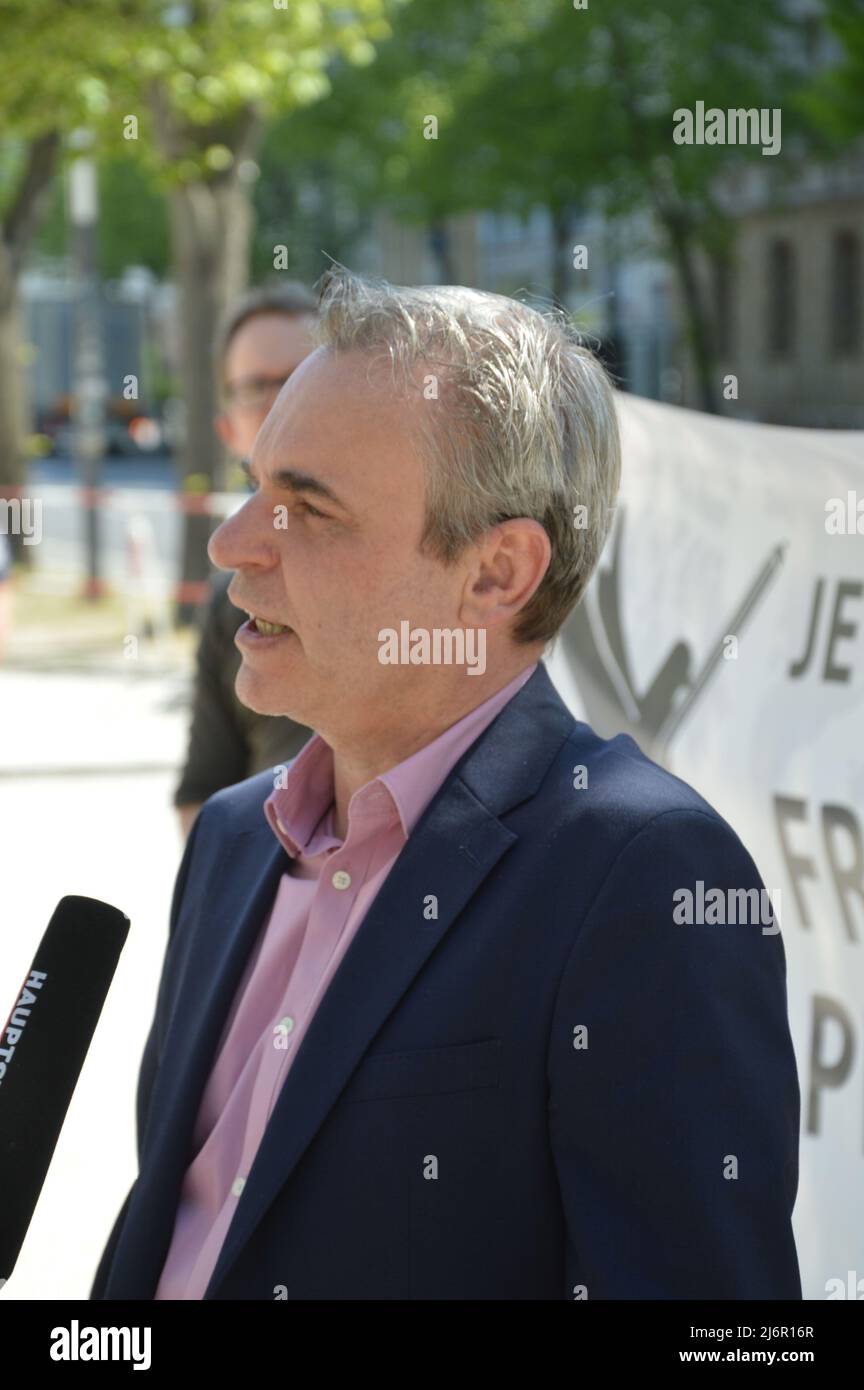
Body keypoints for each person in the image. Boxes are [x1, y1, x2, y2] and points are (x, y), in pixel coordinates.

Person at [91, 267, 801, 1301]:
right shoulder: (237, 836)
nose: (235, 541)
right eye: (255, 486)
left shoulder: (639, 875)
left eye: (308, 508)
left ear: (496, 573)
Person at [174, 284, 317, 839]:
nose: (284, 401)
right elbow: (202, 794)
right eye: (260, 387)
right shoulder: (228, 599)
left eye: (305, 377)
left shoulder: (411, 563)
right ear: (227, 430)